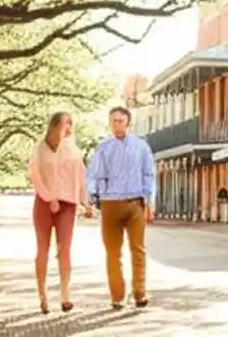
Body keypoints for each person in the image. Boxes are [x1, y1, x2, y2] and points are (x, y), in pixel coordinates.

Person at [87, 106, 156, 310]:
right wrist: (93, 198)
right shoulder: (103, 148)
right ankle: (117, 296)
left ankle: (140, 294)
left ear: (128, 123)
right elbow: (93, 175)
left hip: (135, 202)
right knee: (113, 253)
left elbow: (149, 174)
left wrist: (149, 202)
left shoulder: (141, 147)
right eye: (114, 121)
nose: (117, 124)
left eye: (120, 120)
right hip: (110, 203)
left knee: (138, 249)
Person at [28, 111, 93, 314]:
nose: (70, 128)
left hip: (67, 205)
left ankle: (65, 296)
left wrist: (86, 202)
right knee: (43, 250)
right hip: (44, 204)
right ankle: (42, 295)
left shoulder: (73, 150)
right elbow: (35, 176)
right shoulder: (40, 148)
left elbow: (80, 177)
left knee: (64, 249)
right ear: (56, 125)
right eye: (67, 123)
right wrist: (49, 198)